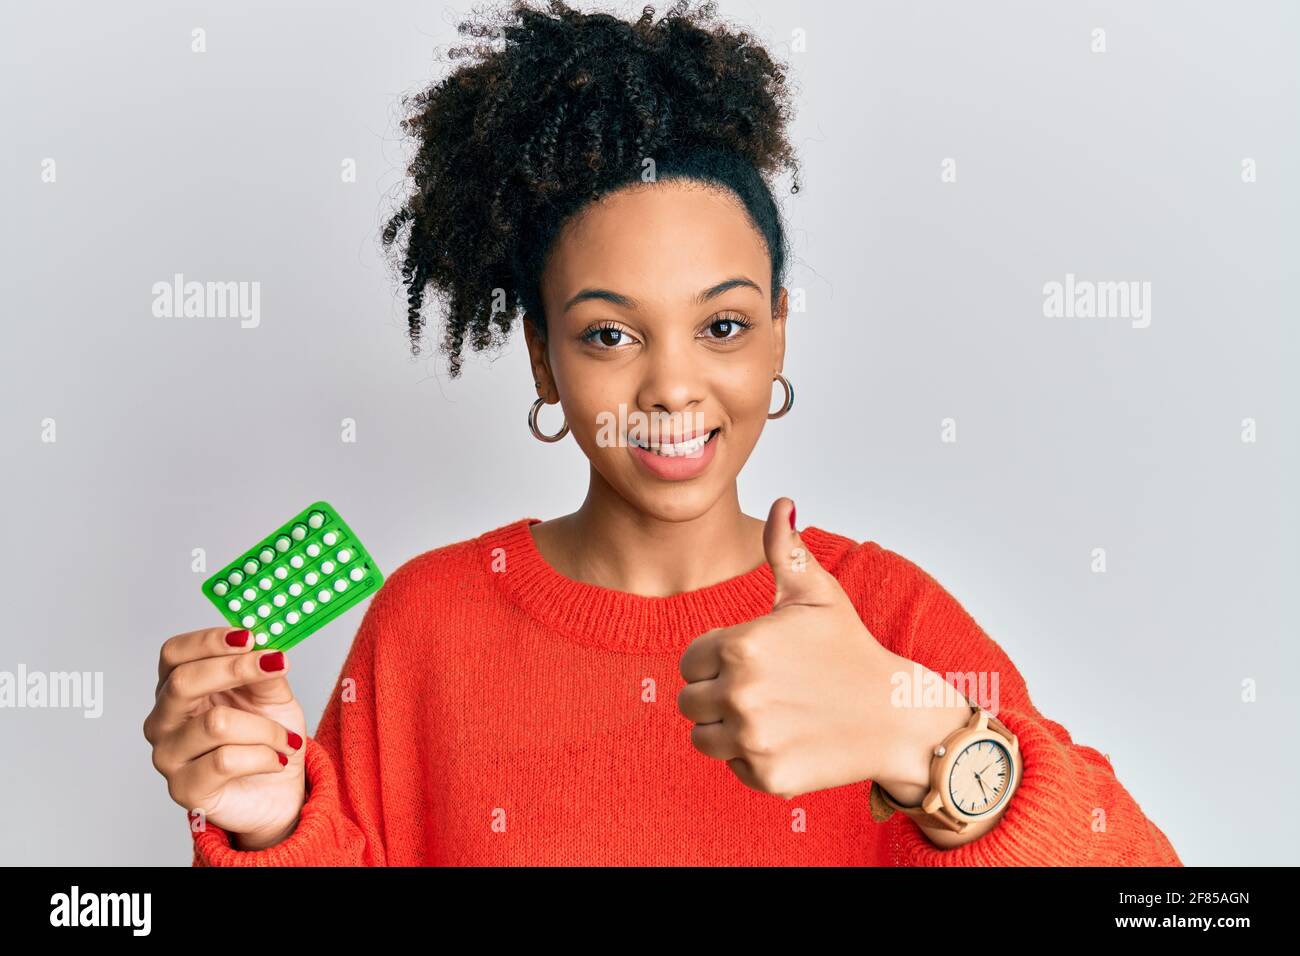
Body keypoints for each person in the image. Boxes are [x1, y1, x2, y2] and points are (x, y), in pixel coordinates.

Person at [143, 0, 1182, 866]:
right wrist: (270, 820)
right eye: (608, 333)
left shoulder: (886, 615)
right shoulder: (426, 621)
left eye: (723, 324)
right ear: (545, 359)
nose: (672, 383)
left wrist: (919, 732)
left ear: (779, 332)